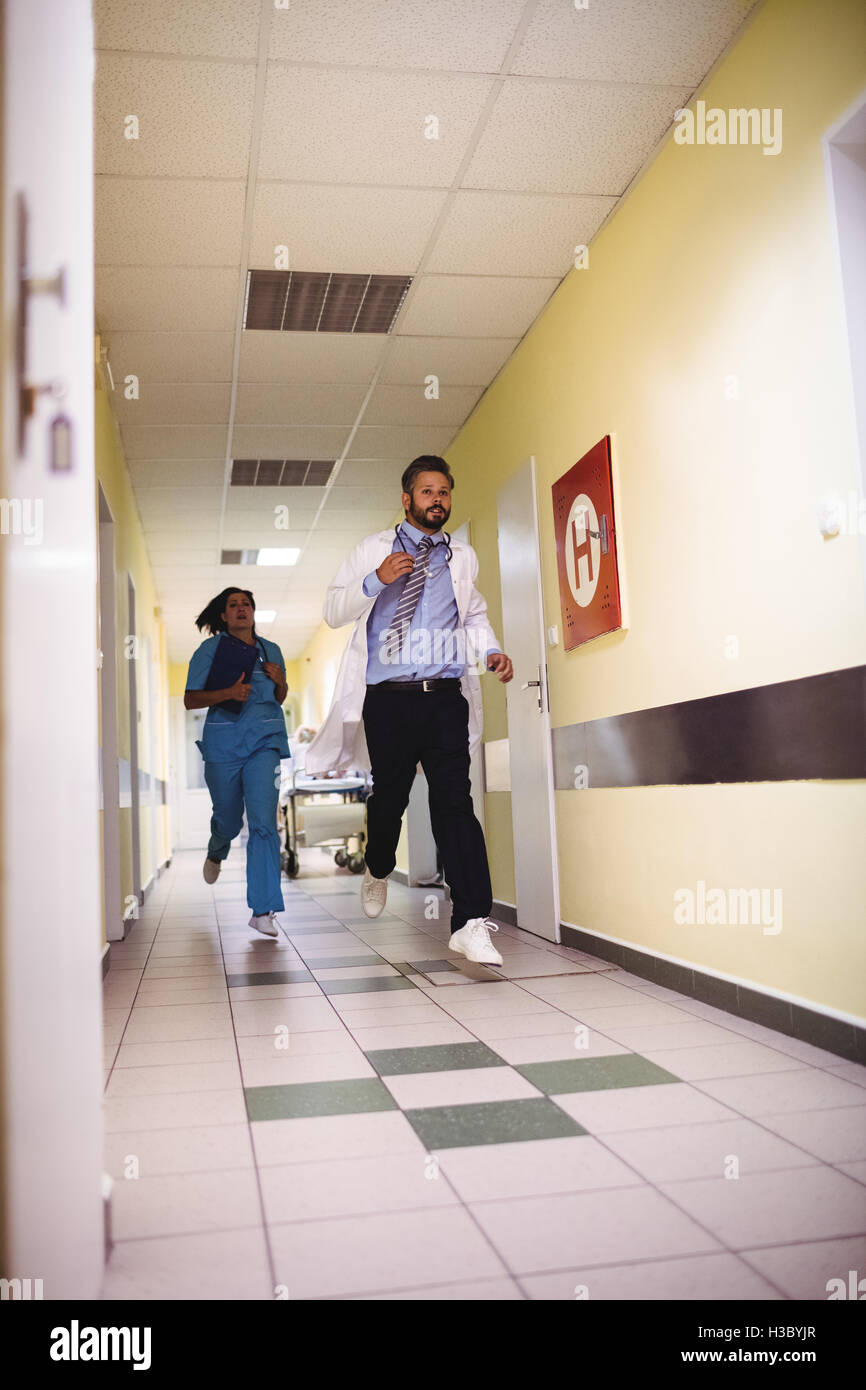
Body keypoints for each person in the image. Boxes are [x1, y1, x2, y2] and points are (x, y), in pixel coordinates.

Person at [305, 456, 513, 964]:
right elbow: (333, 610)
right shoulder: (372, 549)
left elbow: (475, 615)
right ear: (407, 499)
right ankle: (378, 866)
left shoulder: (461, 557)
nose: (437, 499)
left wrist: (489, 651)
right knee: (390, 798)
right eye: (427, 491)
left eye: (444, 491)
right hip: (389, 700)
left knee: (455, 806)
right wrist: (375, 580)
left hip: (444, 698)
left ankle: (469, 921)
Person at [184, 588, 289, 937]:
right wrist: (228, 693)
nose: (241, 609)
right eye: (234, 605)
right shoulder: (210, 651)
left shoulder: (271, 650)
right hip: (224, 746)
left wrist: (281, 682)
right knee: (229, 821)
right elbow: (190, 699)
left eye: (246, 604)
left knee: (263, 824)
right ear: (224, 615)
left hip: (265, 744)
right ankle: (218, 848)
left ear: (254, 612)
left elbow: (280, 696)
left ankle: (263, 911)